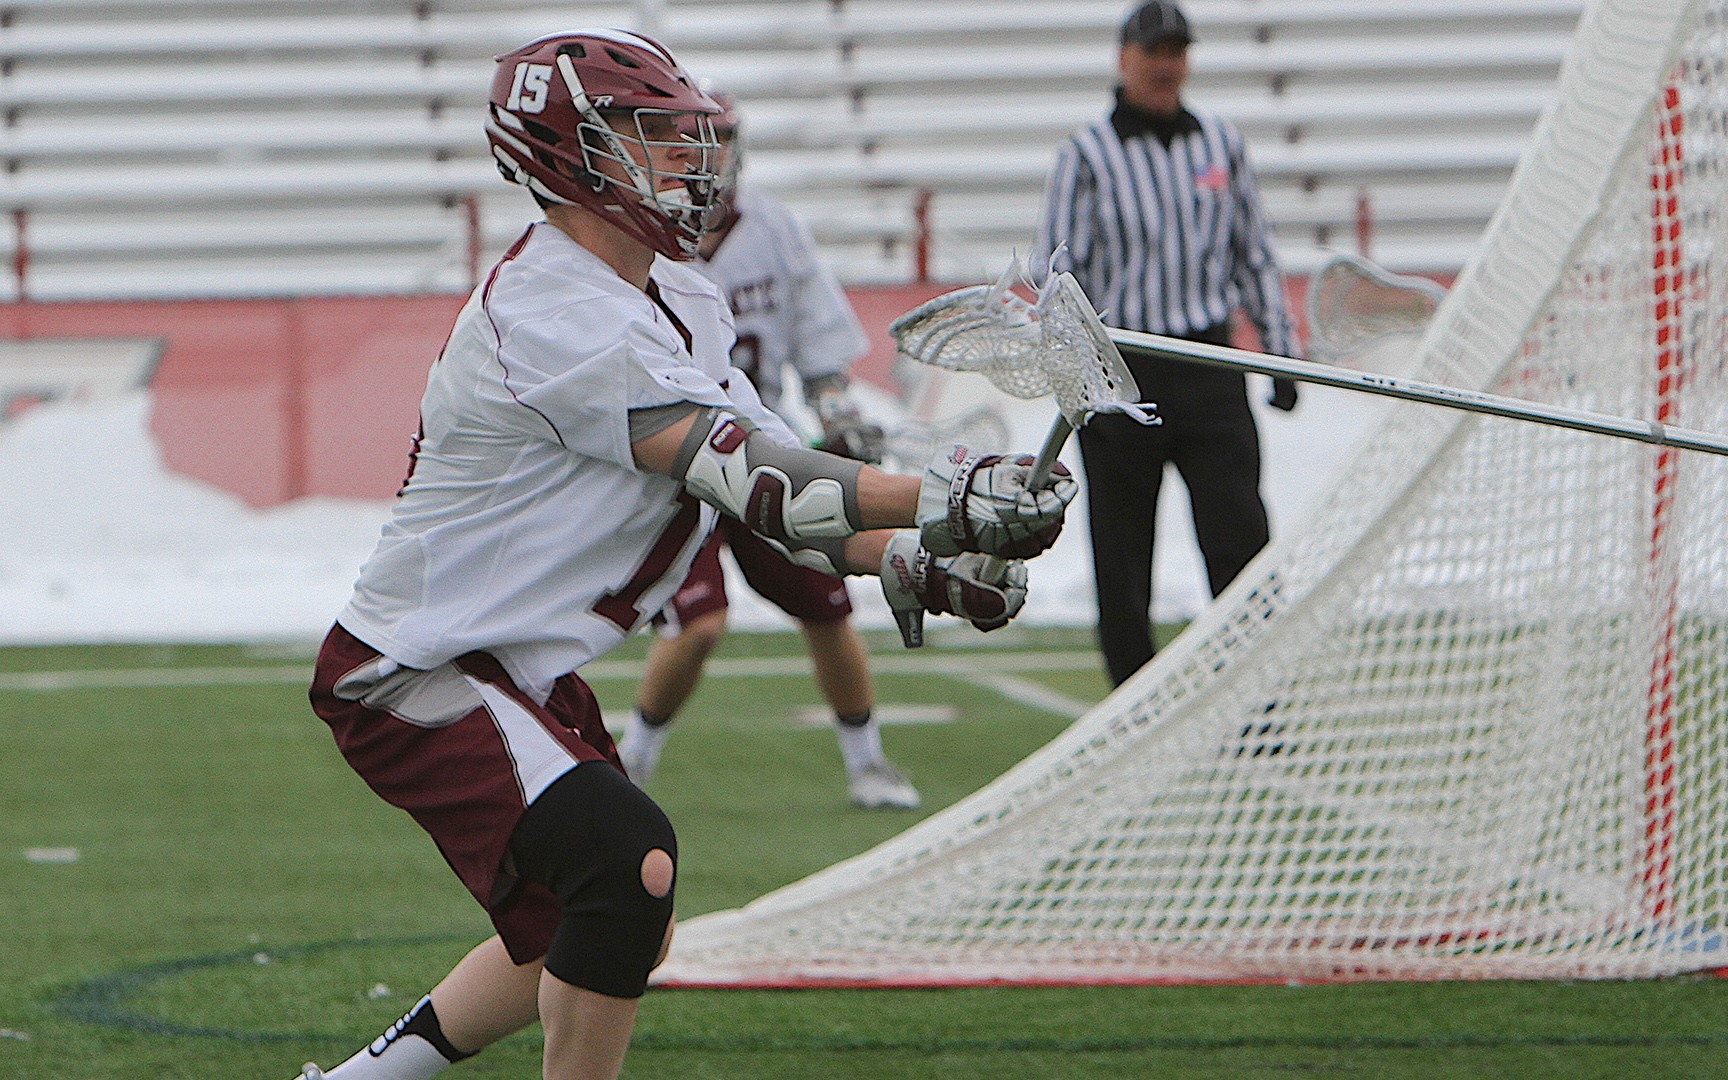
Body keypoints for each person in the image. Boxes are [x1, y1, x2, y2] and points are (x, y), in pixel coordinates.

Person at [294, 28, 1074, 1080]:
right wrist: (953, 497)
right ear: (569, 148)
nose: (686, 161)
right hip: (416, 669)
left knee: (617, 924)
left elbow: (788, 502)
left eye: (683, 135)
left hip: (508, 667)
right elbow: (755, 476)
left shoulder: (680, 298)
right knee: (629, 863)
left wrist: (919, 559)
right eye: (650, 134)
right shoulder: (550, 310)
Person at [616, 89, 918, 810]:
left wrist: (835, 409)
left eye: (718, 143)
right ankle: (633, 761)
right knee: (699, 625)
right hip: (677, 461)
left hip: (763, 449)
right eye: (695, 143)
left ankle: (867, 761)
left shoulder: (774, 227)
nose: (708, 161)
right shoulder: (642, 236)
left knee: (826, 606)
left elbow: (819, 345)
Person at [1032, 0, 1300, 688]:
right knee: (1123, 553)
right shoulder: (1085, 154)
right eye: (1154, 52)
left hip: (1210, 365)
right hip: (1123, 367)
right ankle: (1134, 704)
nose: (1166, 66)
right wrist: (1077, 376)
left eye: (1177, 52)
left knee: (1241, 539)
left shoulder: (1221, 144)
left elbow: (1254, 256)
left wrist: (1279, 351)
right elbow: (1057, 276)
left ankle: (1256, 700)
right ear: (1125, 58)